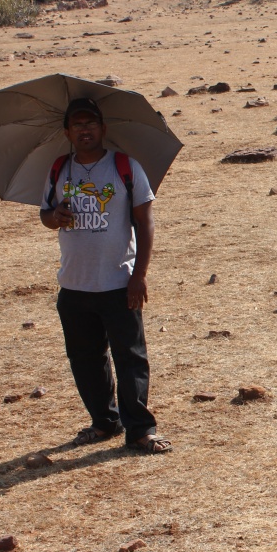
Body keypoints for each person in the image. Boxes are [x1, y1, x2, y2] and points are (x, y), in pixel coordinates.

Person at [39, 97, 171, 454]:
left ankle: (141, 429)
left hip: (118, 281)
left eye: (91, 123)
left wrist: (138, 275)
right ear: (67, 131)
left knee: (130, 358)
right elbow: (45, 214)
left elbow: (145, 223)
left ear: (103, 129)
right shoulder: (58, 169)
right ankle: (104, 421)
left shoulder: (126, 167)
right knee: (85, 360)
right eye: (77, 124)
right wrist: (56, 217)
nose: (85, 129)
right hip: (74, 284)